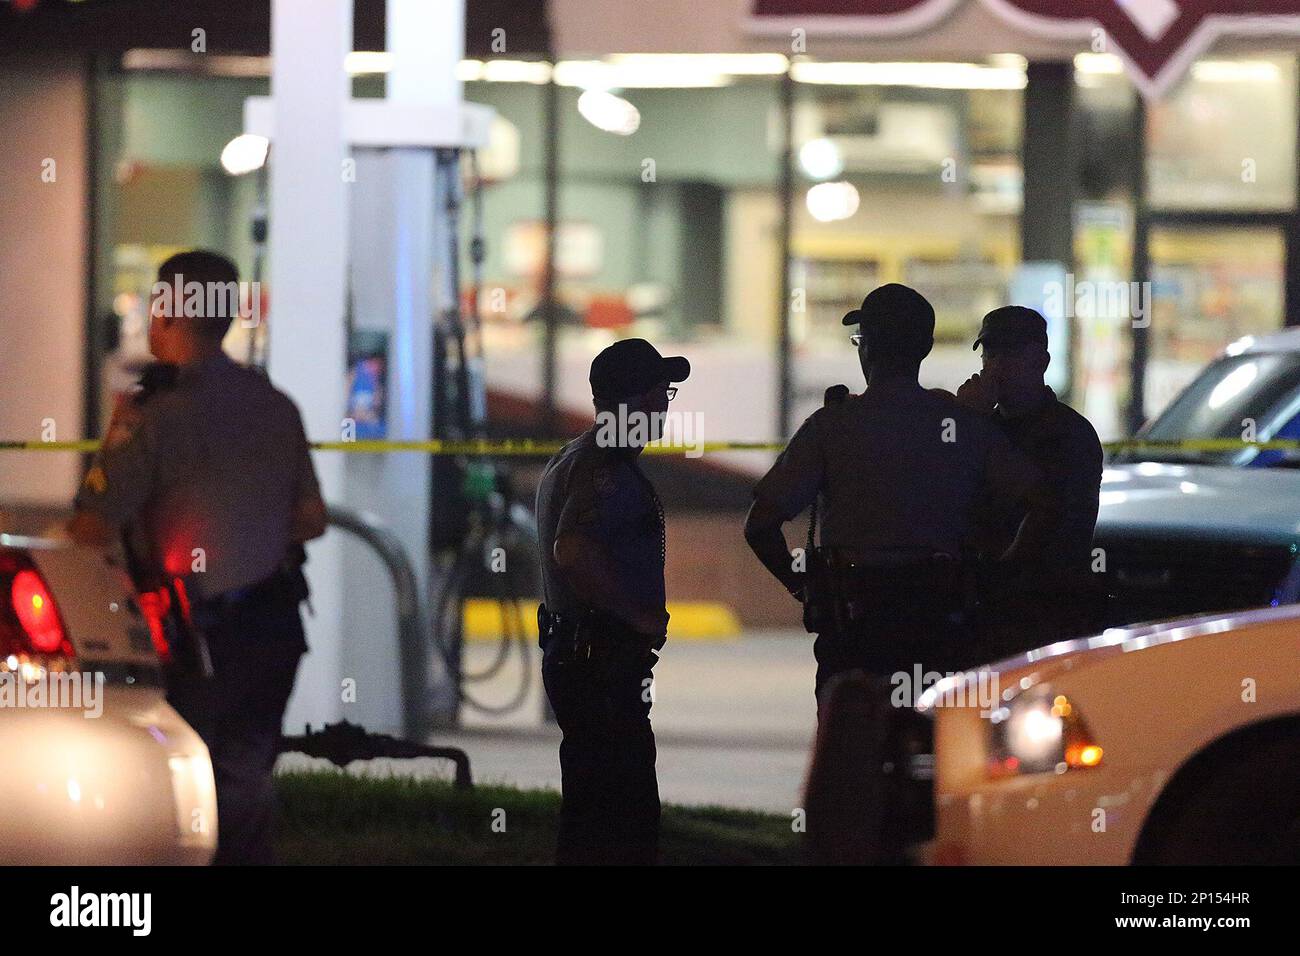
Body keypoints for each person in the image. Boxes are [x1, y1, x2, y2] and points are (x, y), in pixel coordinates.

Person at [68, 250, 326, 865]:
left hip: (191, 635)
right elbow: (310, 518)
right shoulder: (275, 405)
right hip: (271, 624)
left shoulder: (151, 416)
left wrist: (115, 435)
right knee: (247, 774)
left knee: (184, 779)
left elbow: (89, 526)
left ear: (168, 310)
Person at [744, 284, 1055, 704]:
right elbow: (1041, 503)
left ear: (866, 349)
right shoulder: (962, 424)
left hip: (853, 631)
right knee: (937, 753)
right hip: (942, 628)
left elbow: (760, 524)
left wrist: (800, 584)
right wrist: (1000, 575)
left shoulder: (831, 427)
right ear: (925, 347)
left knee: (852, 750)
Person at [534, 338, 688, 865]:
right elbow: (573, 552)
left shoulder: (581, 456)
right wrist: (637, 614)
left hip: (586, 657)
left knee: (594, 806)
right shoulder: (604, 469)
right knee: (622, 814)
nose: (666, 407)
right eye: (661, 394)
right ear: (639, 402)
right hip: (599, 662)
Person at [957, 305, 1106, 656]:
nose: (996, 365)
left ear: (1041, 361)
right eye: (990, 353)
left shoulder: (1070, 434)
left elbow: (1052, 516)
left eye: (1010, 352)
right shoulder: (982, 425)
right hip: (983, 611)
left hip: (1046, 612)